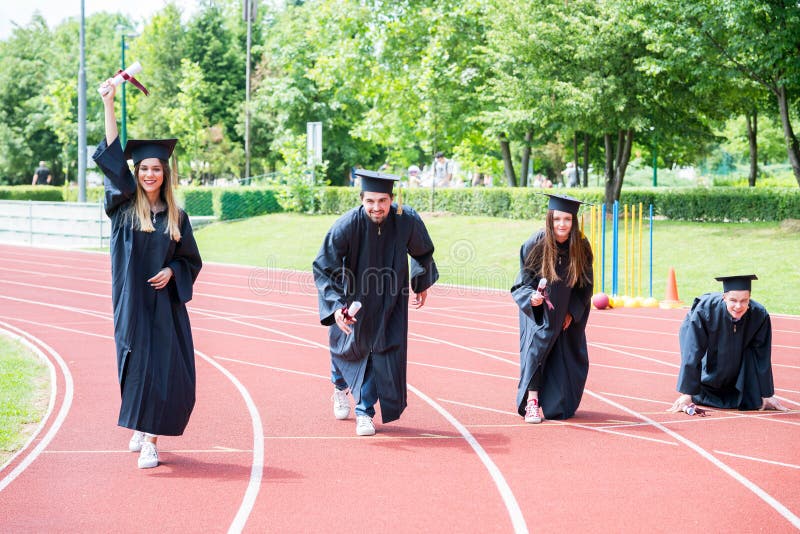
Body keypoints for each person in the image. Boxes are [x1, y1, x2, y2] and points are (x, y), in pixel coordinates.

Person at [93, 78, 202, 469]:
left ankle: (152, 439)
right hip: (130, 302)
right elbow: (112, 157)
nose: (150, 174)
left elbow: (190, 260)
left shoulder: (178, 217)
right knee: (133, 363)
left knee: (162, 369)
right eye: (144, 168)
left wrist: (173, 272)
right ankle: (140, 425)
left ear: (165, 174)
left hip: (165, 307)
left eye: (156, 168)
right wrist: (109, 104)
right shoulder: (122, 207)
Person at [312, 169, 439, 436]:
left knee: (379, 352)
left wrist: (421, 282)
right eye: (370, 201)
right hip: (353, 298)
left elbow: (422, 250)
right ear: (361, 199)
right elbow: (324, 266)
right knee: (345, 348)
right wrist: (336, 306)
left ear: (391, 199)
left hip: (391, 299)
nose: (376, 207)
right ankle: (339, 386)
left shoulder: (406, 220)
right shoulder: (347, 224)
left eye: (382, 201)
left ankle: (364, 412)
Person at [511, 194, 593, 423]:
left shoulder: (581, 246)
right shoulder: (537, 242)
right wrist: (531, 298)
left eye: (567, 219)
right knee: (536, 351)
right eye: (557, 219)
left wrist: (573, 312)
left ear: (573, 221)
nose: (562, 224)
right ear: (550, 218)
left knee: (564, 357)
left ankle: (557, 401)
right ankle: (532, 402)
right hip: (538, 310)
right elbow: (523, 280)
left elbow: (585, 284)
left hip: (565, 311)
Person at [669, 274, 788, 414]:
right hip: (700, 331)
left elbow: (762, 356)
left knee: (747, 376)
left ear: (750, 298)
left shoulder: (759, 316)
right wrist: (686, 394)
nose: (738, 306)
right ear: (724, 297)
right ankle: (697, 389)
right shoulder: (704, 312)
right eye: (733, 300)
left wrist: (766, 394)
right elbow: (692, 352)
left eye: (744, 300)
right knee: (700, 360)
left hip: (739, 340)